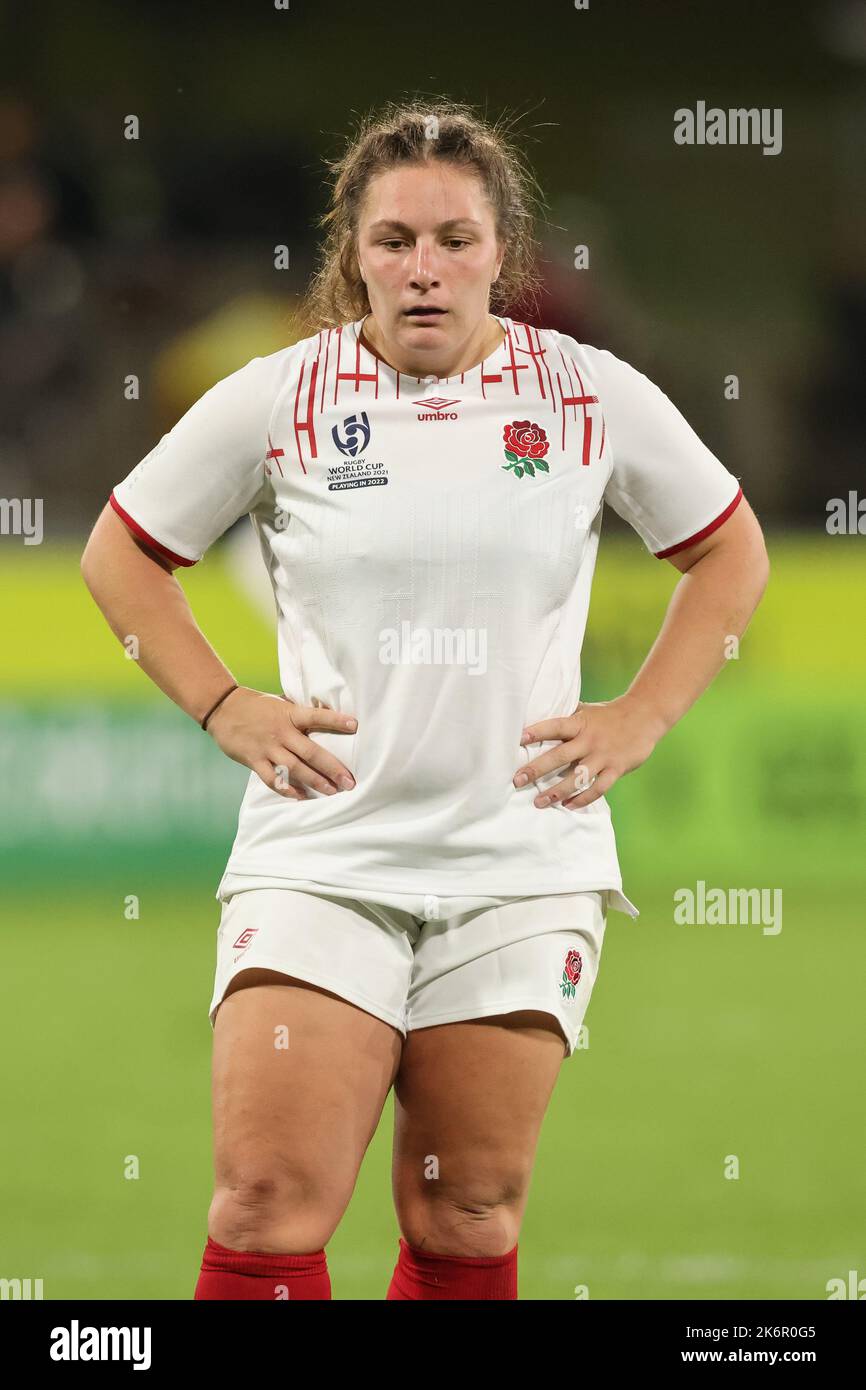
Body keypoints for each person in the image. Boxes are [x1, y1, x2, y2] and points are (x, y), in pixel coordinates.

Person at [80, 99, 769, 1301]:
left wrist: (638, 715)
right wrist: (221, 704)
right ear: (351, 250)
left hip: (518, 865)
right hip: (324, 855)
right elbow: (121, 551)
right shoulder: (282, 395)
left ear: (503, 248)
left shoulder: (586, 396)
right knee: (265, 1201)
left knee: (467, 1217)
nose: (423, 269)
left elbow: (728, 553)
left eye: (454, 239)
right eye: (394, 240)